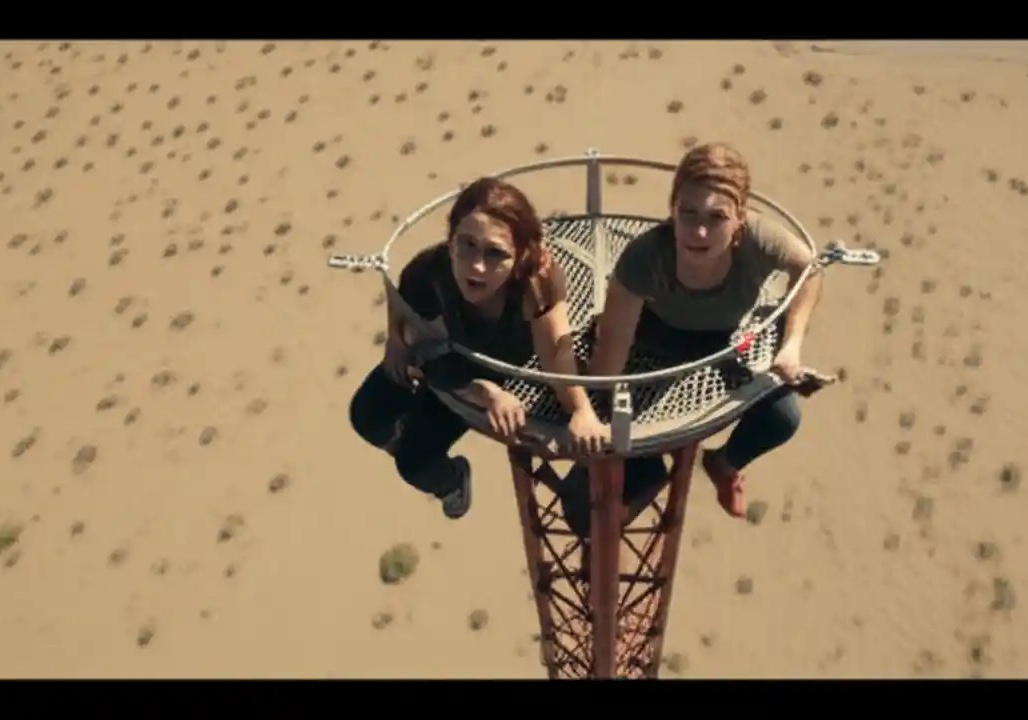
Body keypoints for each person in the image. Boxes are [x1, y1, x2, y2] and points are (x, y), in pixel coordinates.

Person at [580, 142, 825, 519]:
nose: (698, 230)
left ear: (740, 217)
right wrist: (608, 415)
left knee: (782, 417)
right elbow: (610, 365)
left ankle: (724, 465)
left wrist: (791, 347)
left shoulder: (758, 240)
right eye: (688, 213)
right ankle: (645, 474)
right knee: (609, 470)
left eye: (716, 218)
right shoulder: (645, 259)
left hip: (724, 340)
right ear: (672, 209)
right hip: (655, 336)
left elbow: (809, 270)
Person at [349, 177, 610, 520]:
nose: (476, 266)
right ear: (450, 239)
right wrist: (394, 341)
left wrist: (581, 411)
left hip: (480, 370)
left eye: (495, 253)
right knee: (366, 415)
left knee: (414, 464)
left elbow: (556, 354)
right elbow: (403, 301)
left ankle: (452, 480)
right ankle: (410, 434)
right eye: (466, 245)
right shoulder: (431, 270)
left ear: (520, 256)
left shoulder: (536, 284)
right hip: (436, 359)